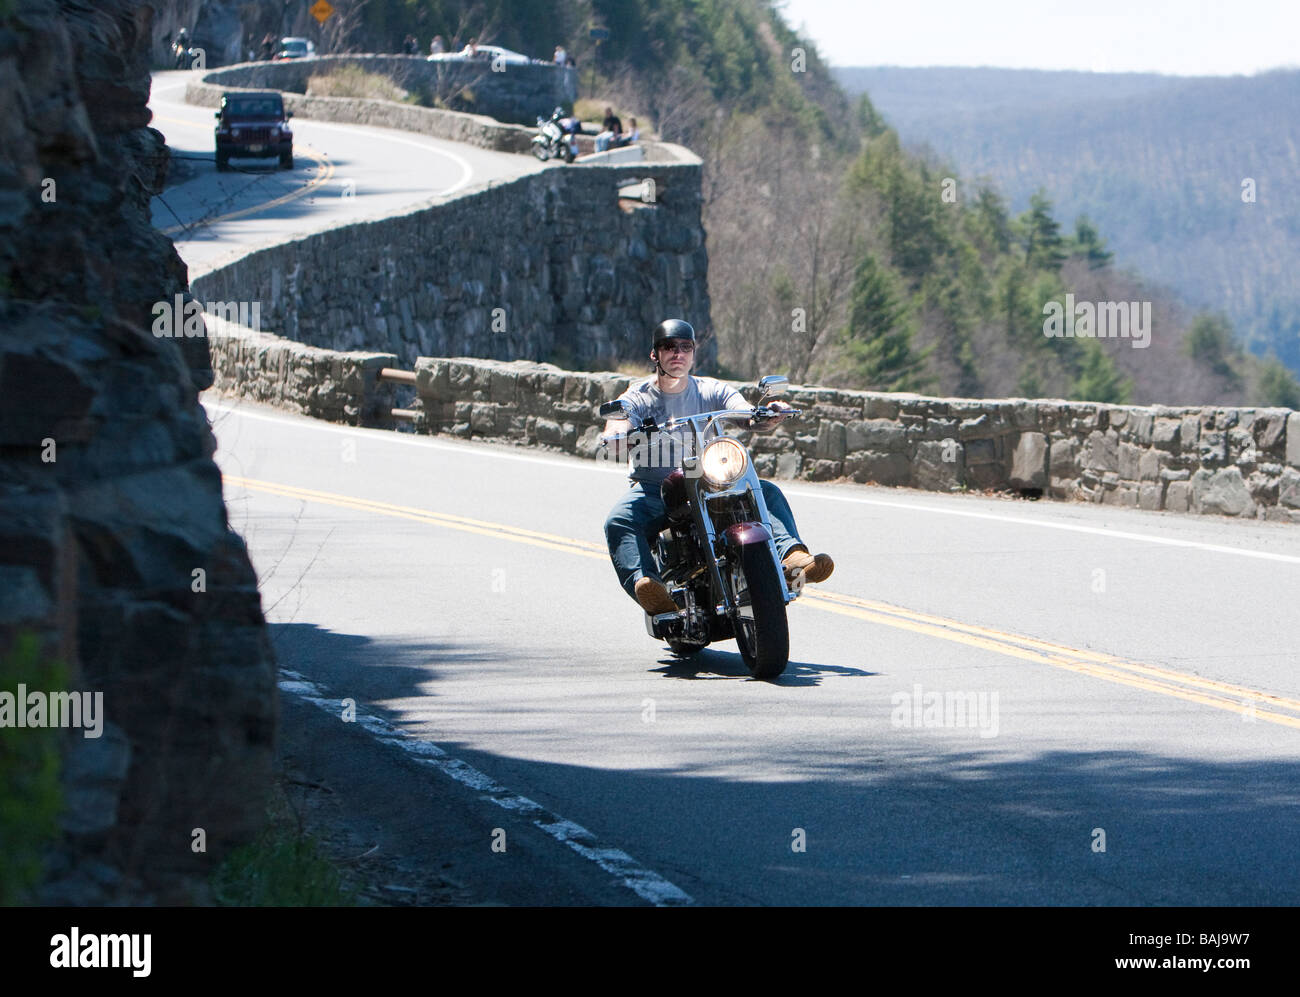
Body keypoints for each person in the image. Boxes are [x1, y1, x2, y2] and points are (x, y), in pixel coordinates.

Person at [602, 319, 834, 615]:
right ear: (654, 354)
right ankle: (648, 585)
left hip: (712, 481)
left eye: (685, 347)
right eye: (669, 347)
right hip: (656, 488)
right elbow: (618, 422)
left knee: (765, 491)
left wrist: (768, 413)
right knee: (619, 520)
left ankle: (793, 558)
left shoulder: (711, 389)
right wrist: (617, 434)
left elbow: (743, 412)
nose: (678, 353)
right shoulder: (638, 396)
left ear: (693, 353)